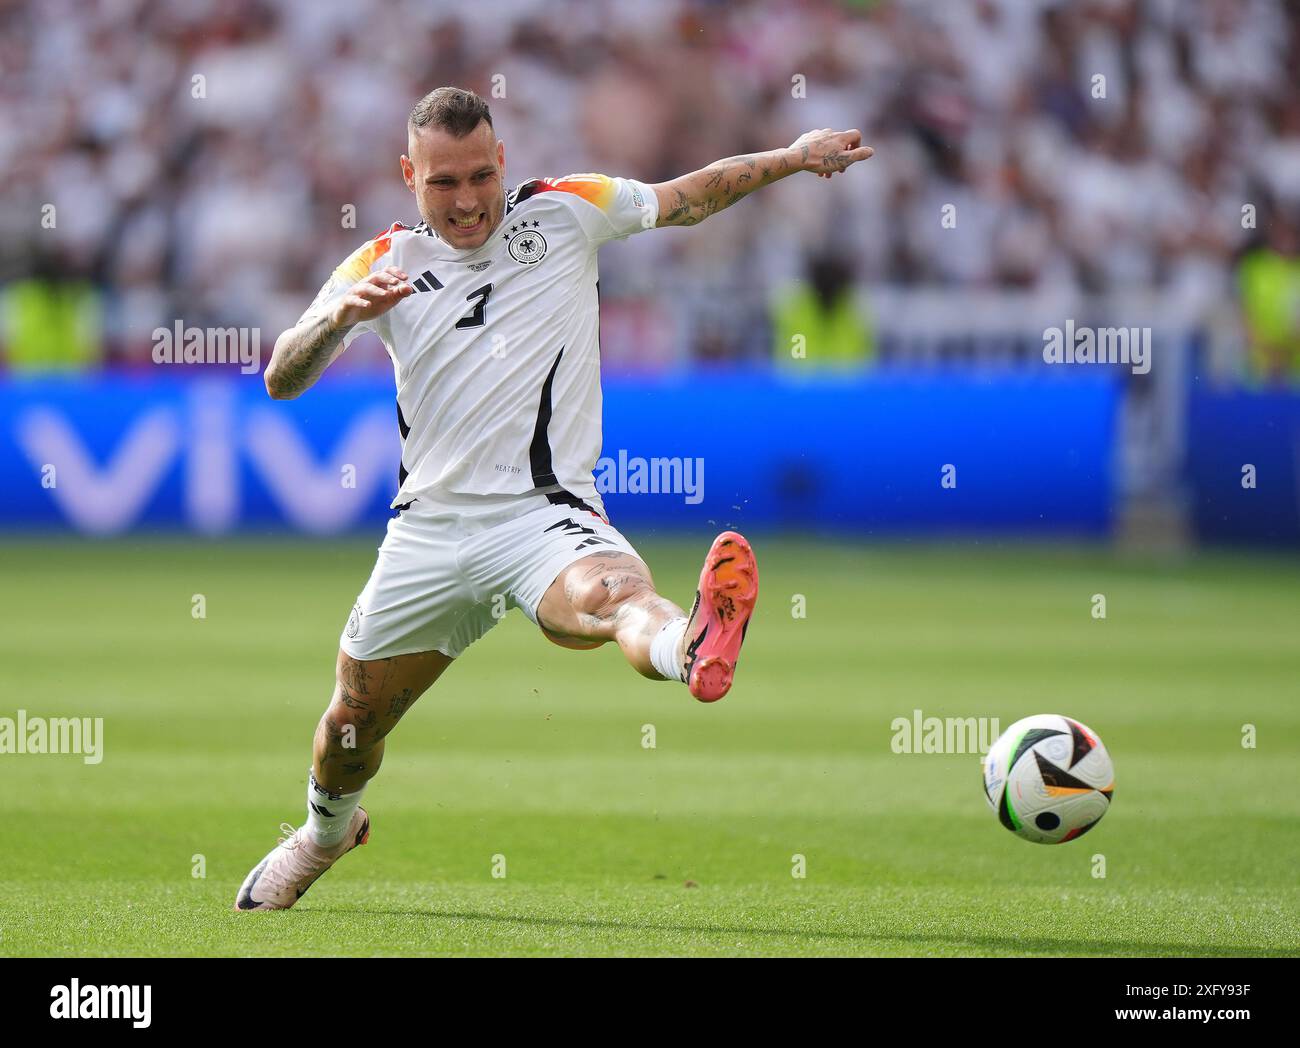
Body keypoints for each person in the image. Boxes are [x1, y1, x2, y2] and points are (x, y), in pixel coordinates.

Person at [234, 86, 873, 911]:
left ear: (502, 161)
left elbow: (691, 196)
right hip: (427, 531)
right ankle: (326, 835)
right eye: (443, 183)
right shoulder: (380, 265)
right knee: (351, 725)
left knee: (616, 594)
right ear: (408, 175)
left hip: (544, 514)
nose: (466, 202)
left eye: (478, 177)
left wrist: (793, 156)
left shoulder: (569, 211)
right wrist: (332, 324)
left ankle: (691, 647)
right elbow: (282, 377)